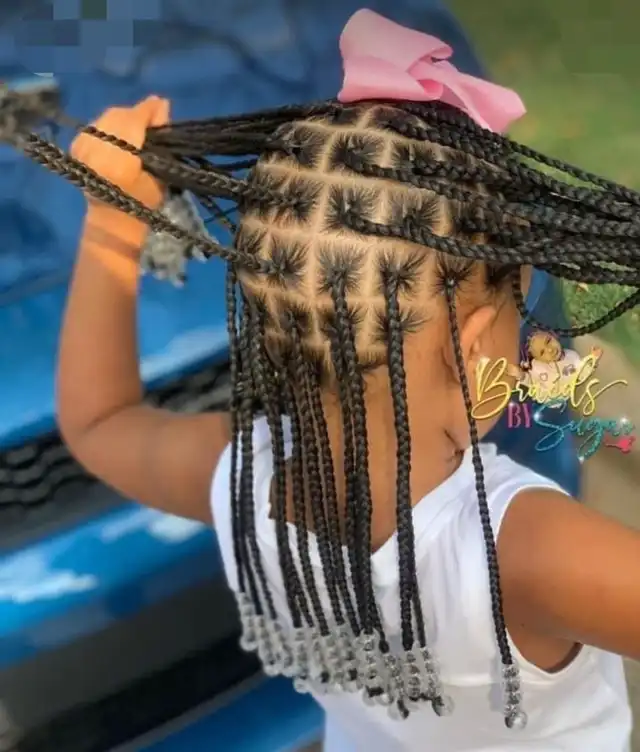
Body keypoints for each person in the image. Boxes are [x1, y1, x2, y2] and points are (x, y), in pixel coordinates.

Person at [9, 10, 640, 751]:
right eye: (518, 313)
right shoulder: (530, 553)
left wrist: (110, 221)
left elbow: (99, 421)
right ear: (472, 349)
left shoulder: (239, 479)